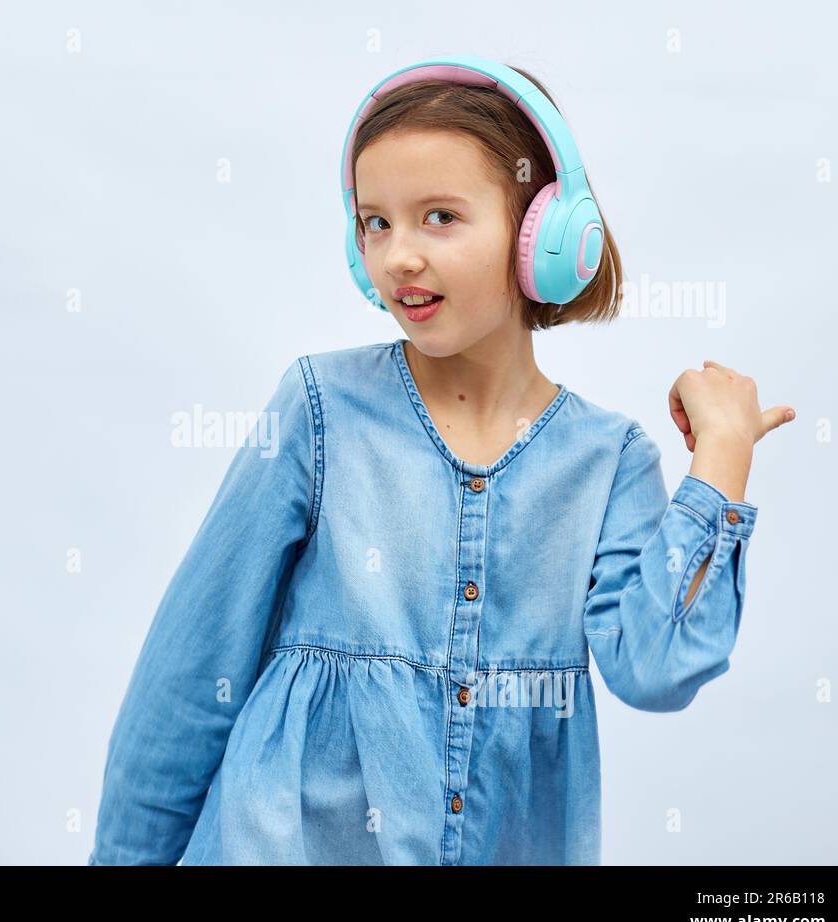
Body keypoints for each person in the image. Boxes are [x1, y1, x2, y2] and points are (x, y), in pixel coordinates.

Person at [88, 58, 794, 865]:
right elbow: (189, 670)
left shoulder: (608, 461)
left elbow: (659, 666)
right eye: (375, 223)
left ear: (545, 239)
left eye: (440, 218)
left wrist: (722, 459)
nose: (398, 257)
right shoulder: (320, 411)